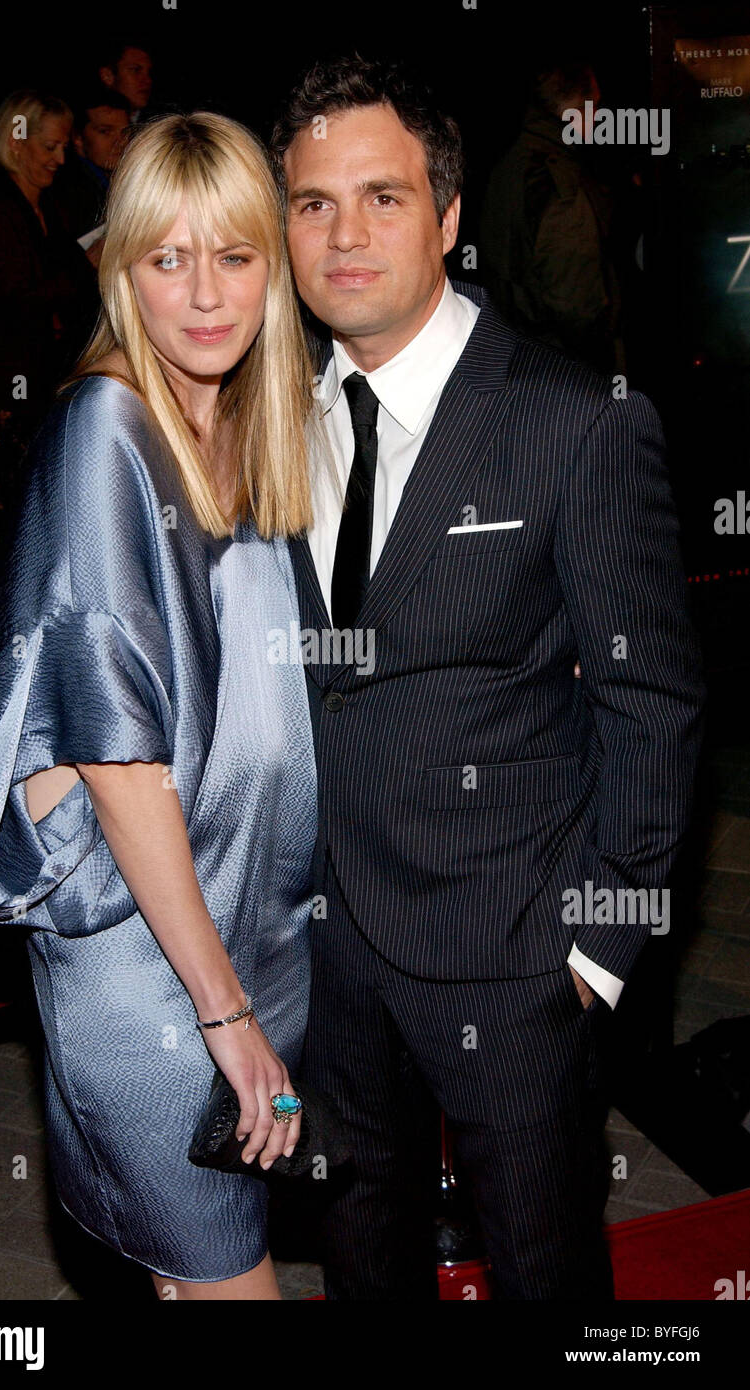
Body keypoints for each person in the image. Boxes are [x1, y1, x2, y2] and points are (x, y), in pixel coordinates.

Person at [270, 54, 706, 1300]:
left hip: (516, 958)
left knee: (540, 1272)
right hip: (330, 949)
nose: (343, 234)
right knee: (362, 1261)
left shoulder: (573, 422)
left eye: (382, 197)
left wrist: (596, 953)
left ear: (448, 218)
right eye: (311, 203)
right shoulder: (272, 414)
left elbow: (652, 700)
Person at [0, 112, 319, 1300]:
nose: (205, 294)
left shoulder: (247, 421)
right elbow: (118, 759)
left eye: (235, 255)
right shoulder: (105, 434)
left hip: (247, 923)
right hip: (152, 971)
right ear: (121, 269)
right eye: (167, 259)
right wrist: (222, 1012)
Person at [0, 91, 99, 564]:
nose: (60, 158)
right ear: (16, 142)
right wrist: (86, 267)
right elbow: (14, 298)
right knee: (6, 514)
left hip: (40, 382)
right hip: (6, 388)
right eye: (49, 147)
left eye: (64, 147)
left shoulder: (48, 209)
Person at [479, 61, 625, 377]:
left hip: (516, 358)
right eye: (595, 107)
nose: (599, 118)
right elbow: (575, 303)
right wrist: (601, 362)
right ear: (576, 108)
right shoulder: (560, 182)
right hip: (563, 369)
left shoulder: (509, 164)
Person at [53, 87, 132, 244]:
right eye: (105, 132)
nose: (120, 142)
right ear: (78, 139)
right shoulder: (68, 191)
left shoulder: (124, 179)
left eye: (125, 132)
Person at [98, 40, 153, 122]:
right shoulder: (86, 120)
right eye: (135, 70)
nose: (148, 80)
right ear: (108, 76)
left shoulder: (158, 121)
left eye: (149, 73)